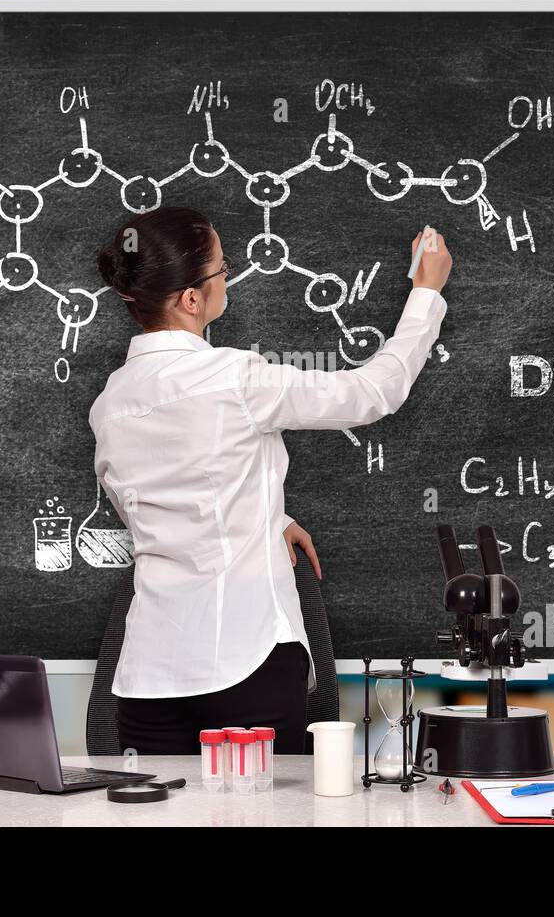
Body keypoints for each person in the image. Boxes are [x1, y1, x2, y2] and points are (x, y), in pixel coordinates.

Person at [89, 206, 451, 755]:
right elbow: (372, 393)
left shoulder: (110, 401)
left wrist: (267, 518)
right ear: (191, 299)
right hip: (246, 657)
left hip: (150, 672)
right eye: (221, 268)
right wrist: (425, 293)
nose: (227, 277)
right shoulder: (233, 378)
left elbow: (163, 505)